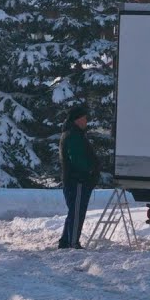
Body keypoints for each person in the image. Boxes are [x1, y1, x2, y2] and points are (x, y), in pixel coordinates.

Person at [59, 103, 100, 249]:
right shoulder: (73, 135)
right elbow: (77, 158)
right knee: (77, 212)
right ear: (77, 120)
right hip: (77, 180)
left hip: (75, 179)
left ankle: (65, 241)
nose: (86, 121)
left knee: (73, 212)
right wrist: (88, 171)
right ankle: (72, 243)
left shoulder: (72, 133)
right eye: (84, 118)